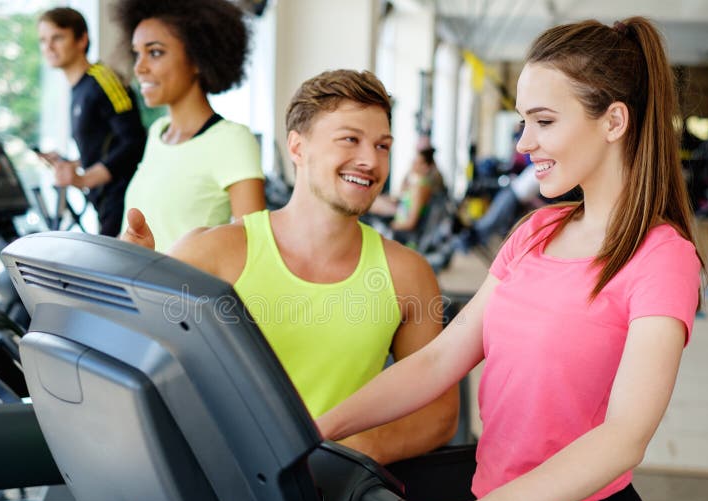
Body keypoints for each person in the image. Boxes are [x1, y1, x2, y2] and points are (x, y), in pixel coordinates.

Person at [317, 17, 704, 501]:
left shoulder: (661, 258)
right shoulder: (535, 232)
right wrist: (317, 427)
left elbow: (624, 435)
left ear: (614, 121)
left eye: (544, 121)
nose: (524, 143)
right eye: (524, 121)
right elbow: (437, 360)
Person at [123, 69, 458, 465]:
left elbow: (438, 415)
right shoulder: (213, 253)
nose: (370, 160)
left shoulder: (407, 274)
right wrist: (128, 284)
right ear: (297, 148)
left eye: (383, 146)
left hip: (336, 498)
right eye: (350, 139)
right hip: (223, 492)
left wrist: (340, 455)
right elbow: (132, 370)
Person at [114, 0, 266, 253]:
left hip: (185, 292)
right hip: (132, 289)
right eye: (137, 54)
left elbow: (254, 249)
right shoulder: (158, 133)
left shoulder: (232, 140)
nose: (139, 67)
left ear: (197, 59)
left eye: (155, 52)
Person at [37, 7, 146, 237]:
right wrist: (73, 163)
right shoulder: (78, 89)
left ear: (82, 39)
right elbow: (106, 145)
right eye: (43, 40)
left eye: (57, 37)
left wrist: (85, 178)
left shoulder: (102, 79)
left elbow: (134, 141)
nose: (48, 47)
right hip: (104, 203)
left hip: (124, 203)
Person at [370, 138, 445, 236]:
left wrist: (390, 226)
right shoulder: (417, 184)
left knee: (372, 204)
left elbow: (410, 223)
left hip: (403, 232)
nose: (412, 165)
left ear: (425, 167)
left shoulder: (420, 188)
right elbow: (402, 193)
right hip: (399, 218)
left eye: (416, 162)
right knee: (374, 202)